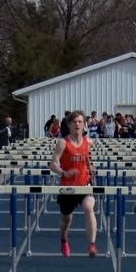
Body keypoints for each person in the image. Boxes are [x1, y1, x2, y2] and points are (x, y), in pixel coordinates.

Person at [49, 110, 97, 258]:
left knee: (89, 208)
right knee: (66, 220)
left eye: (80, 122)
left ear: (84, 124)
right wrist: (64, 172)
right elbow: (52, 164)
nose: (77, 124)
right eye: (74, 122)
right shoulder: (63, 143)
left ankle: (91, 244)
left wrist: (90, 167)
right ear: (69, 125)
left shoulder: (88, 141)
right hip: (68, 186)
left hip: (84, 183)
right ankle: (63, 240)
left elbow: (86, 156)